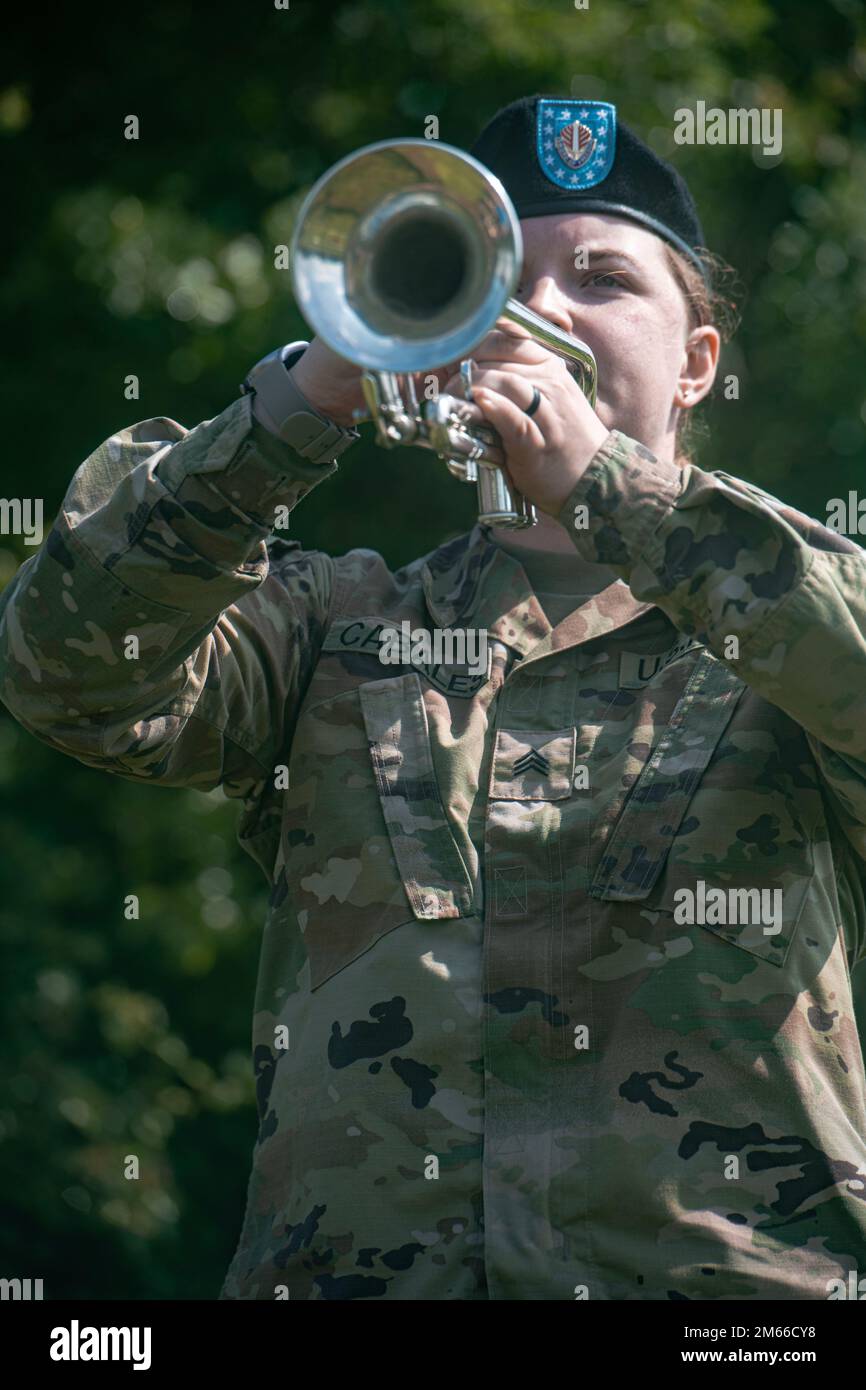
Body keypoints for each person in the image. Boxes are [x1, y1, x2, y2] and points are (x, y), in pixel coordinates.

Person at [2, 94, 865, 1302]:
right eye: (502, 278)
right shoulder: (333, 626)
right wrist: (314, 390)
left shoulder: (798, 618)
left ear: (694, 369)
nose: (544, 312)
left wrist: (610, 491)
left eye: (603, 278)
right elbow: (65, 666)